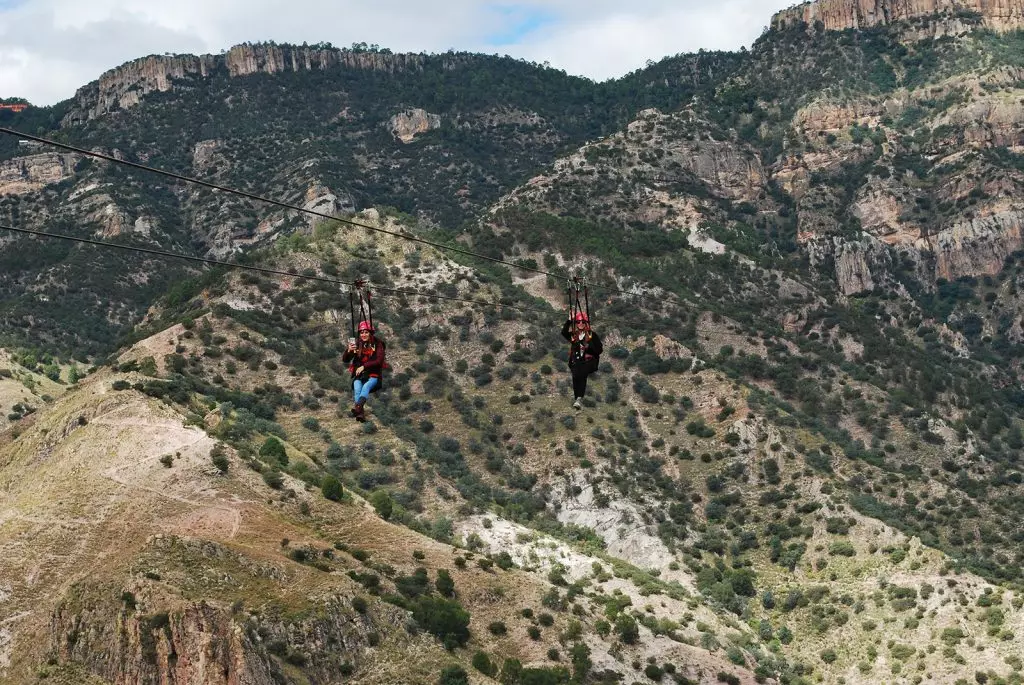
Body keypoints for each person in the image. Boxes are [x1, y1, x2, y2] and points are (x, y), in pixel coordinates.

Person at [342, 320, 386, 421]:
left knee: (366, 386)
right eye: (362, 332)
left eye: (366, 332)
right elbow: (345, 359)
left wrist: (364, 366)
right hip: (360, 375)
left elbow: (379, 361)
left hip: (373, 374)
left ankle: (358, 408)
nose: (364, 334)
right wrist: (348, 351)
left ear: (371, 333)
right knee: (357, 389)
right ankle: (360, 414)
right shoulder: (358, 344)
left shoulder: (378, 344)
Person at [561, 311, 603, 410]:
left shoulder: (591, 335)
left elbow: (599, 350)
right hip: (576, 362)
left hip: (588, 361)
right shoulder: (574, 335)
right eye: (578, 322)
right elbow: (564, 333)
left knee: (582, 373)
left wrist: (588, 347)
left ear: (586, 323)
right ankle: (577, 399)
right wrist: (569, 321)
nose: (580, 324)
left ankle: (579, 398)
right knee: (575, 376)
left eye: (582, 322)